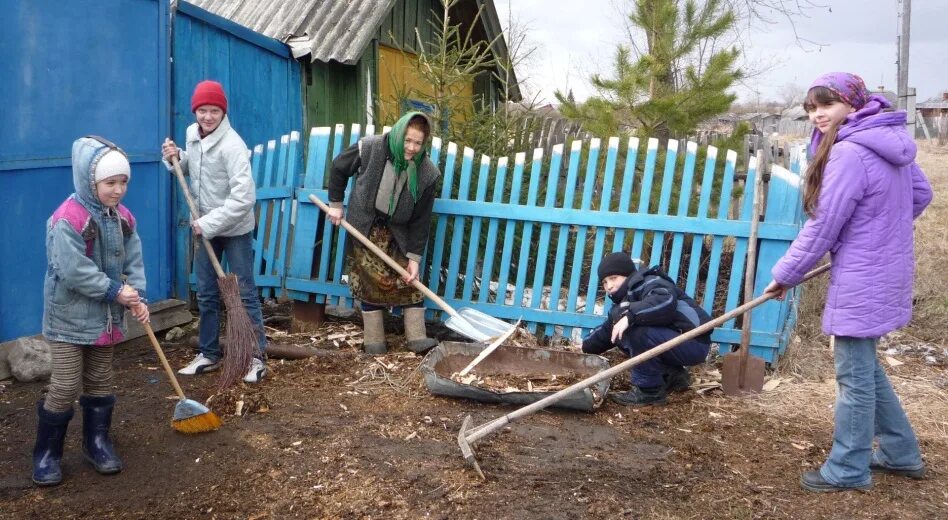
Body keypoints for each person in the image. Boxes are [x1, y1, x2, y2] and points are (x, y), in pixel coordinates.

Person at [765, 72, 933, 493]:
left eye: (826, 105)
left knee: (853, 378)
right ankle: (900, 453)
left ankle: (848, 469)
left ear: (854, 105)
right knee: (865, 369)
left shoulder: (849, 153)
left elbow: (824, 226)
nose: (818, 115)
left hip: (863, 275)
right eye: (811, 108)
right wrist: (881, 232)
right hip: (885, 269)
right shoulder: (888, 142)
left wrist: (786, 274)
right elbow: (920, 195)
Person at [32, 136, 150, 486]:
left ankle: (96, 442)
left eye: (123, 182)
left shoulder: (123, 218)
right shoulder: (67, 219)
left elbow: (134, 259)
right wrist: (117, 291)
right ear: (89, 181)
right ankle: (47, 453)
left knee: (100, 379)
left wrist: (138, 295)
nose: (118, 190)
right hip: (68, 317)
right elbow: (73, 271)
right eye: (110, 183)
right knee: (67, 385)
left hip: (105, 319)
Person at [161, 80, 268, 382]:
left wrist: (208, 223)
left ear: (223, 112)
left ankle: (257, 357)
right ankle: (208, 353)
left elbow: (245, 199)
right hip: (204, 224)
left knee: (243, 292)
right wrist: (176, 158)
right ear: (195, 111)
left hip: (233, 227)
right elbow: (192, 168)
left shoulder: (233, 146)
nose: (208, 117)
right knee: (207, 293)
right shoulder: (192, 135)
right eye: (202, 111)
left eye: (214, 111)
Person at [325, 112, 441, 355]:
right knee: (369, 281)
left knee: (409, 281)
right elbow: (338, 167)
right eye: (407, 140)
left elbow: (421, 220)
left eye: (418, 143)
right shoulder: (371, 148)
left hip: (398, 233)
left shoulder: (427, 172)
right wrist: (336, 204)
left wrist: (414, 258)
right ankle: (374, 341)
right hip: (365, 226)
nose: (411, 148)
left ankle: (417, 338)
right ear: (399, 134)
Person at [581, 252, 712, 406]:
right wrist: (584, 346)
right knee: (621, 332)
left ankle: (649, 392)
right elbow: (607, 331)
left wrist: (631, 316)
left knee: (635, 332)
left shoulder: (650, 282)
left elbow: (665, 302)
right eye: (604, 282)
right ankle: (673, 376)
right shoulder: (623, 303)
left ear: (627, 274)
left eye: (613, 278)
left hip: (692, 341)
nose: (609, 286)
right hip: (677, 344)